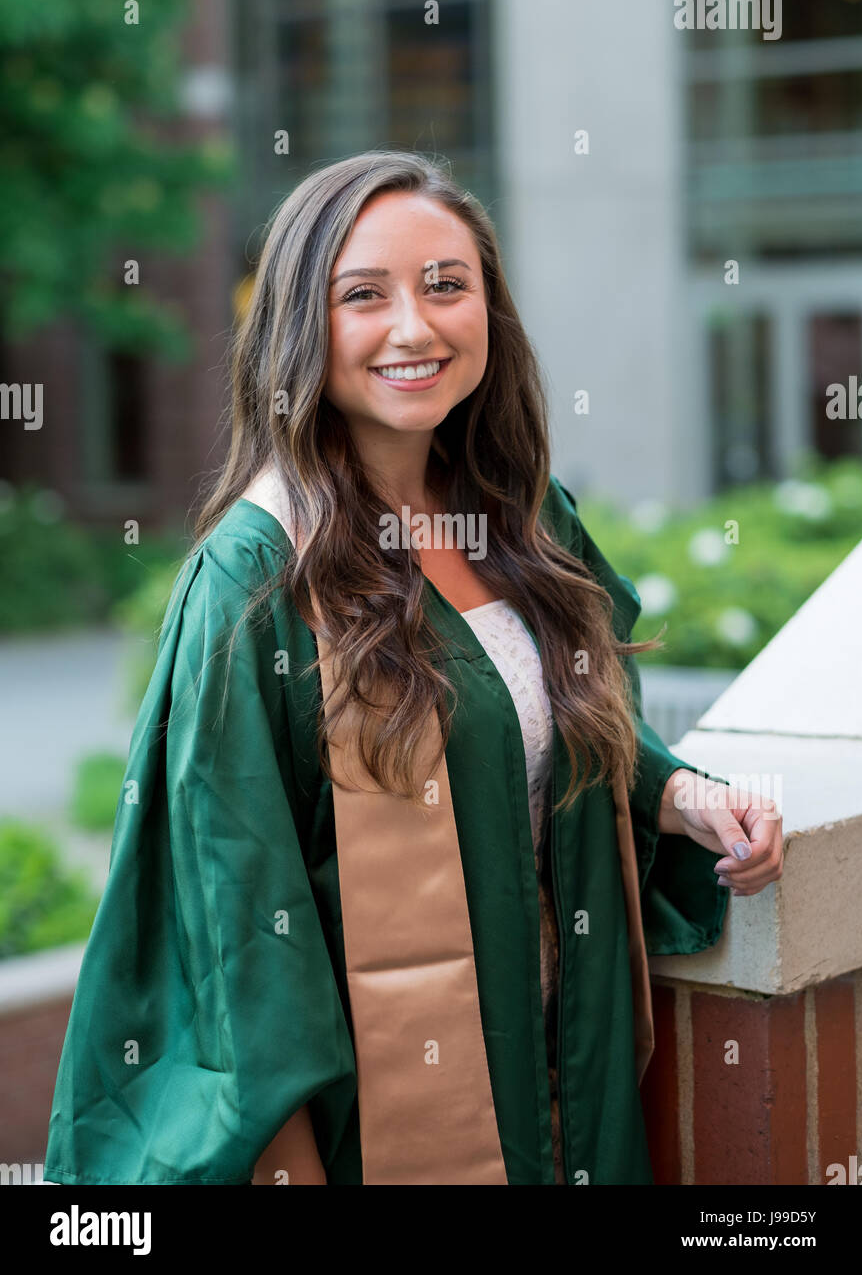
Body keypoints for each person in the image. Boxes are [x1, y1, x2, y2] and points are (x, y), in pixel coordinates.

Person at [44, 150, 783, 1187]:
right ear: (303, 328)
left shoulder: (521, 514)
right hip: (379, 1129)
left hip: (564, 1084)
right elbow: (235, 924)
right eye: (363, 295)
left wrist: (680, 795)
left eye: (446, 285)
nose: (414, 327)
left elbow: (553, 718)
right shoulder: (257, 578)